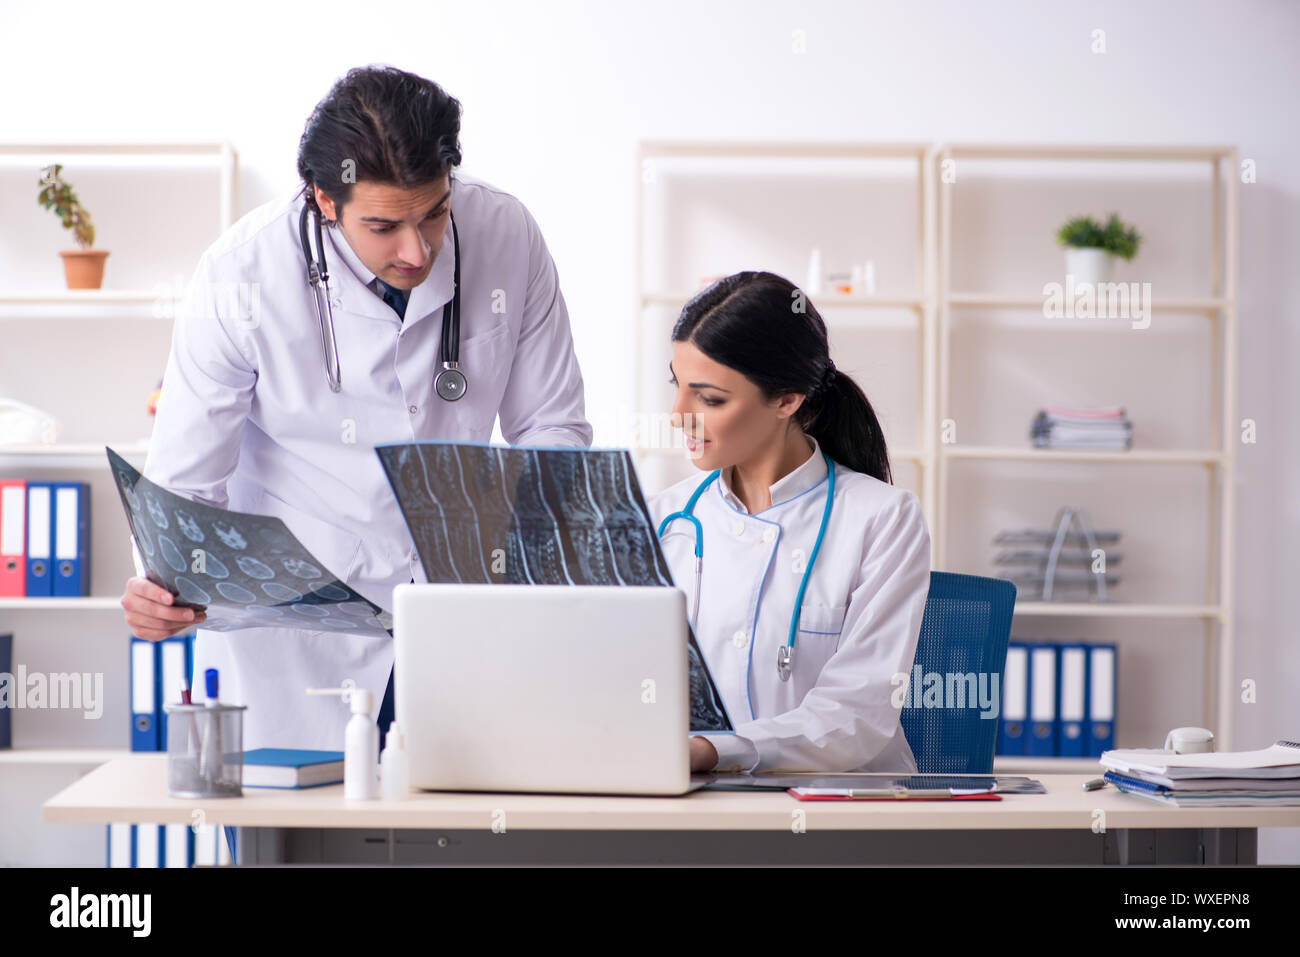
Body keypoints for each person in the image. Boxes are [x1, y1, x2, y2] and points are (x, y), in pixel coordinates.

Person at [119, 65, 592, 750]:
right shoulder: (241, 274)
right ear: (324, 199)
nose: (417, 249)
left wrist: (552, 574)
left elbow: (552, 431)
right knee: (293, 852)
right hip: (292, 648)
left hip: (460, 621)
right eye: (383, 225)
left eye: (434, 212)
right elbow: (184, 489)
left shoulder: (507, 234)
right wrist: (160, 588)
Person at [650, 271, 931, 773]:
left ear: (787, 399)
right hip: (695, 803)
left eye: (709, 398)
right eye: (678, 386)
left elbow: (857, 715)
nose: (677, 415)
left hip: (840, 814)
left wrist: (716, 751)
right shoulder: (664, 520)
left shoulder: (883, 519)